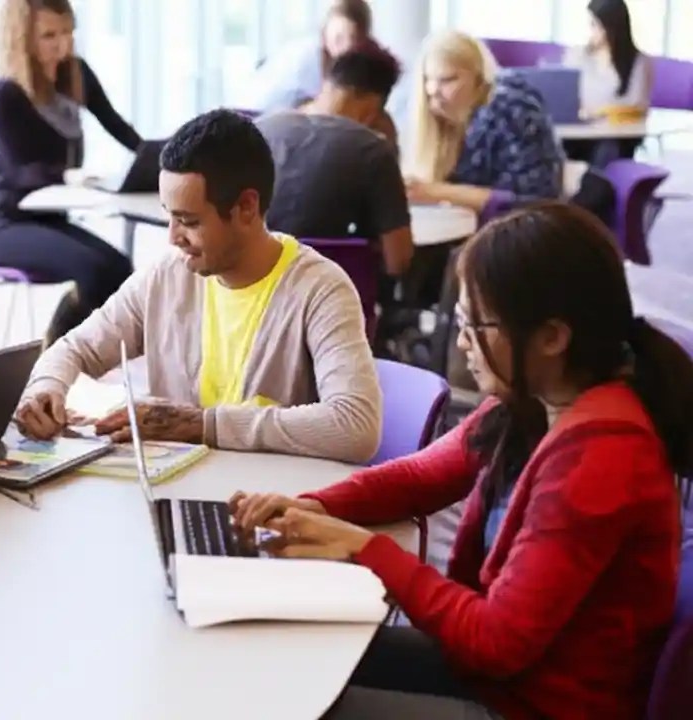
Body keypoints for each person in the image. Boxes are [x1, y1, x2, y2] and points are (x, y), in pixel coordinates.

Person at [230, 201, 691, 718]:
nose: (463, 342)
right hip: (504, 678)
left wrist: (365, 548)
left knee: (296, 699)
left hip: (536, 704)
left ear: (553, 337)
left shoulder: (602, 454)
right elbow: (424, 475)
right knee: (294, 657)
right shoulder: (536, 401)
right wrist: (312, 507)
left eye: (476, 324)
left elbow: (496, 642)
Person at [15, 109, 382, 464]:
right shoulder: (165, 277)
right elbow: (75, 349)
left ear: (246, 208)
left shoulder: (321, 289)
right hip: (177, 488)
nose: (173, 237)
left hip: (267, 505)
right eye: (169, 217)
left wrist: (198, 424)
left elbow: (356, 428)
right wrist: (46, 389)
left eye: (188, 221)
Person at [0, 0, 140, 343]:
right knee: (93, 271)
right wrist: (70, 177)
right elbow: (19, 173)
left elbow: (120, 128)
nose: (63, 45)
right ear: (22, 38)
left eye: (68, 32)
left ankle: (65, 351)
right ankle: (59, 358)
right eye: (49, 35)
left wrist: (165, 158)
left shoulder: (75, 75)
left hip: (47, 220)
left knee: (121, 269)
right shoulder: (5, 95)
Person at [256, 42, 413, 278]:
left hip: (250, 299)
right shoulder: (372, 149)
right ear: (373, 108)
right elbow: (397, 261)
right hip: (337, 305)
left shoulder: (259, 130)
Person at [403, 31, 564, 213]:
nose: (432, 90)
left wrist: (438, 192)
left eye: (447, 80)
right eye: (427, 80)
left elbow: (536, 203)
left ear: (479, 77)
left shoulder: (512, 110)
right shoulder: (441, 121)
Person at [563, 0, 654, 164]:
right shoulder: (577, 56)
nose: (591, 31)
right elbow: (565, 92)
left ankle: (597, 188)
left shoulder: (639, 62)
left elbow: (637, 106)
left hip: (617, 134)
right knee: (554, 147)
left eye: (595, 25)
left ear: (611, 27)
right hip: (580, 130)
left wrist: (599, 113)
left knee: (605, 150)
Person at [249, 0, 373, 114]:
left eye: (355, 39)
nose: (346, 46)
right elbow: (326, 110)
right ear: (326, 29)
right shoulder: (310, 56)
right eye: (339, 38)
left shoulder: (329, 55)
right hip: (253, 119)